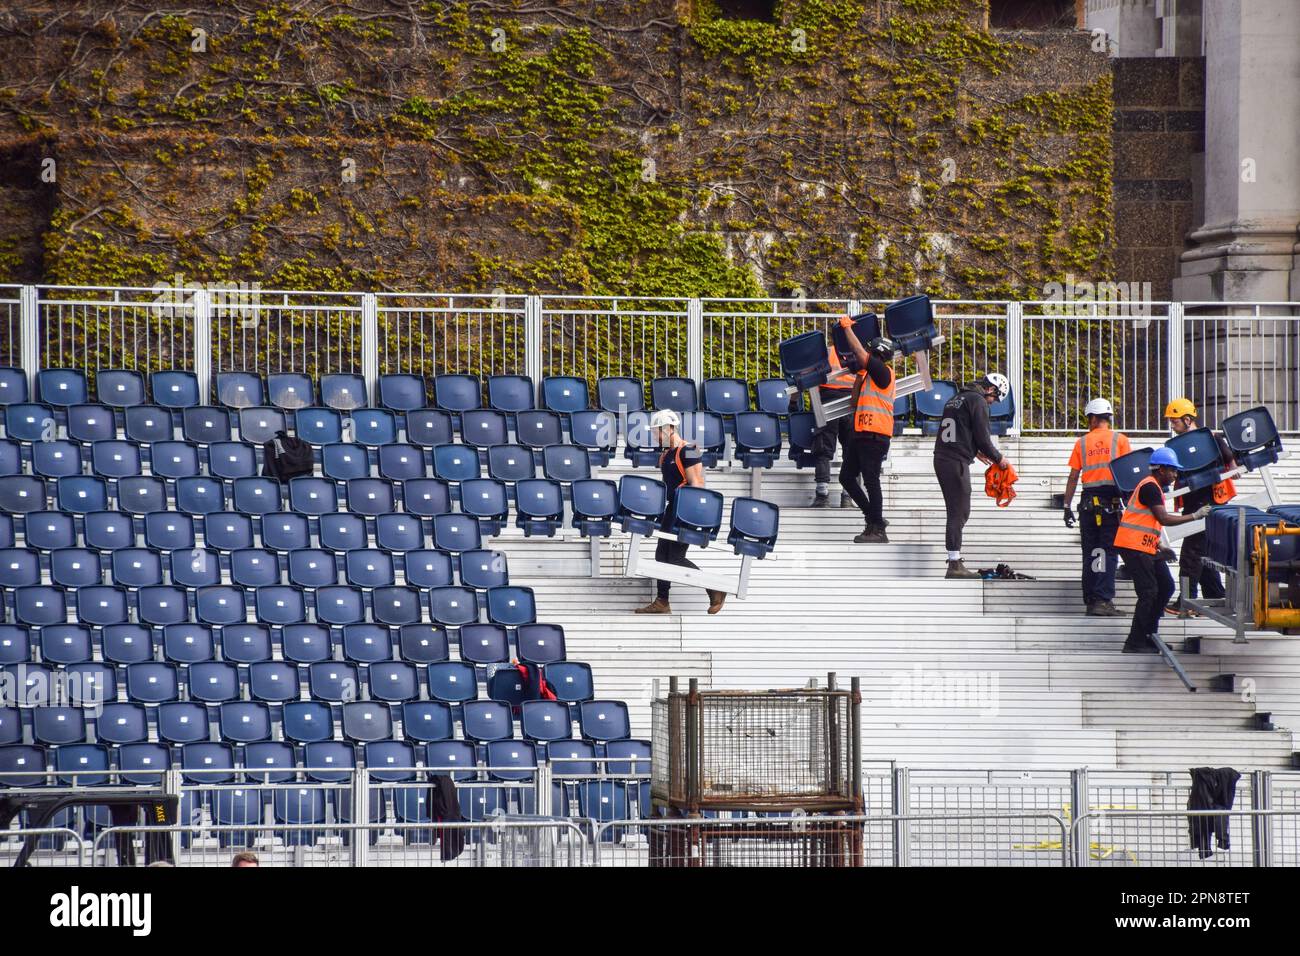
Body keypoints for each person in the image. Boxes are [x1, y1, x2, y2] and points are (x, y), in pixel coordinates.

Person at [1113, 447, 1211, 653]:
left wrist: (1160, 545)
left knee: (1166, 586)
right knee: (1149, 592)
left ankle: (1150, 635)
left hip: (1145, 545)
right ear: (1161, 469)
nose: (1175, 475)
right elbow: (1163, 519)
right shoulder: (1150, 487)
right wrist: (1195, 516)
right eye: (1173, 471)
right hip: (1133, 546)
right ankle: (1135, 642)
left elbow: (1146, 522)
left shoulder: (1154, 486)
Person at [633, 409, 726, 615]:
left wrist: (693, 516)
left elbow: (697, 483)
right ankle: (662, 601)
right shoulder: (666, 454)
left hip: (684, 511)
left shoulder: (690, 448)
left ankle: (714, 587)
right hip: (671, 509)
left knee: (674, 557)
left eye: (657, 432)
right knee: (661, 555)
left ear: (667, 429)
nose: (655, 436)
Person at [933, 373, 1013, 579]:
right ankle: (954, 563)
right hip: (954, 460)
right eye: (994, 398)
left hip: (943, 457)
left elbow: (959, 429)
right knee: (959, 511)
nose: (992, 402)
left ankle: (954, 559)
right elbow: (983, 438)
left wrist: (974, 449)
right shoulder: (978, 400)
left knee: (957, 510)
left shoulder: (957, 398)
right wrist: (999, 459)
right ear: (991, 389)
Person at [1164, 398, 1237, 614]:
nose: (1172, 425)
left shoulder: (1212, 438)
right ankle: (1215, 596)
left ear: (1187, 419)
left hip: (1207, 503)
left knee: (1191, 553)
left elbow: (1232, 462)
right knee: (1203, 553)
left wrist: (1230, 469)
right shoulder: (1179, 446)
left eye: (1174, 421)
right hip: (1194, 502)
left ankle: (1187, 602)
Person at [1062, 397, 1131, 617]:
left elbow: (1074, 477)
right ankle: (1103, 600)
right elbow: (1128, 474)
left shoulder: (1082, 442)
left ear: (1092, 417)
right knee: (1107, 552)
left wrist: (1066, 506)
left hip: (1087, 505)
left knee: (1090, 552)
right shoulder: (1120, 440)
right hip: (1110, 504)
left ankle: (1092, 599)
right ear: (1108, 418)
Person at [835, 315, 895, 543]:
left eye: (871, 351)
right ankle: (874, 518)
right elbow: (854, 402)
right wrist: (860, 377)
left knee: (871, 480)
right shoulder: (869, 374)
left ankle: (877, 528)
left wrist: (847, 328)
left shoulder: (883, 372)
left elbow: (860, 353)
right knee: (846, 478)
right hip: (860, 434)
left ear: (877, 354)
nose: (865, 354)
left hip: (875, 435)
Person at [810, 342, 854, 508]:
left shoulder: (825, 352)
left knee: (823, 448)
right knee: (851, 452)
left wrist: (793, 404)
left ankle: (822, 496)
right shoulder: (856, 351)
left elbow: (808, 377)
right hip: (851, 401)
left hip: (827, 400)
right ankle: (847, 497)